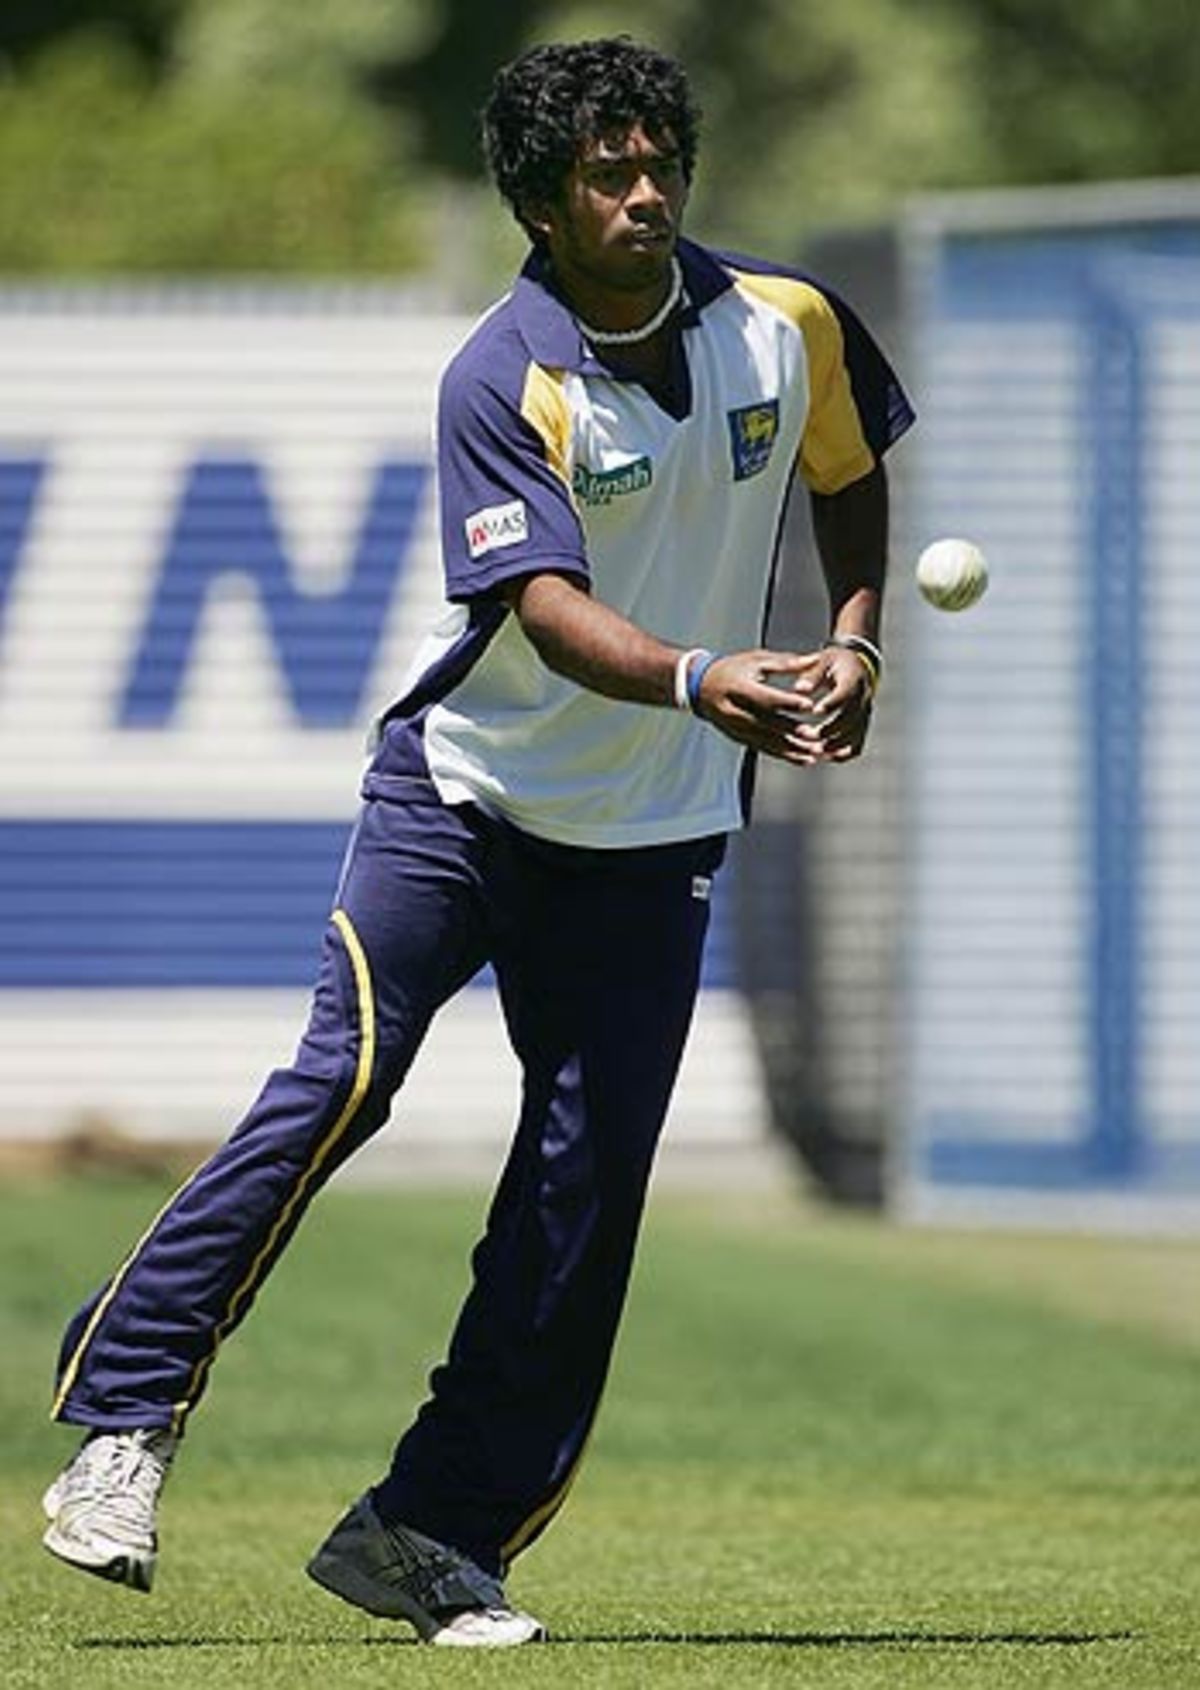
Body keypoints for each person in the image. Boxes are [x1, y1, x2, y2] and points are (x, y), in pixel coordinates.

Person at [41, 35, 914, 1647]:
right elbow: (542, 604)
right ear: (540, 199)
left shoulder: (786, 323)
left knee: (586, 1190)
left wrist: (855, 639)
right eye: (608, 174)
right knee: (345, 1078)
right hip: (466, 800)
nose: (646, 195)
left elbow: (849, 471)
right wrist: (707, 672)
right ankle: (126, 1423)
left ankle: (431, 1529)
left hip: (657, 833)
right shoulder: (501, 372)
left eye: (661, 165)